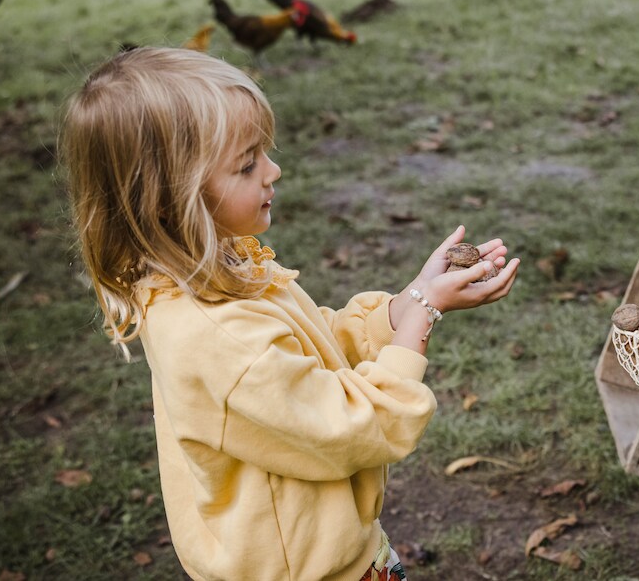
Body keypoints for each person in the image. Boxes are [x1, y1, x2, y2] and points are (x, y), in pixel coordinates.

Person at [60, 47, 519, 581]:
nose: (273, 171)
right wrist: (422, 316)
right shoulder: (216, 334)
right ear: (171, 199)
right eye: (247, 163)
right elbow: (352, 428)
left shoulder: (215, 272)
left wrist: (403, 305)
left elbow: (309, 356)